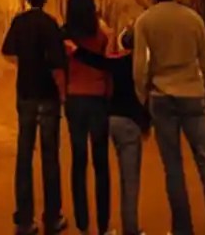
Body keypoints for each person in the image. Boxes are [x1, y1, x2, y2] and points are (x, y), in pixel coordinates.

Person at [133, 0, 205, 235]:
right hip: (191, 94)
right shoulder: (192, 19)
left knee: (173, 167)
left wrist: (142, 96)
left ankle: (182, 228)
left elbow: (140, 66)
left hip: (161, 97)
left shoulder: (145, 21)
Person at [65, 26, 151, 235]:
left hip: (111, 120)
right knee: (130, 179)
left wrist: (75, 49)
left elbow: (96, 61)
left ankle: (99, 224)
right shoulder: (144, 68)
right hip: (131, 124)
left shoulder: (116, 62)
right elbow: (146, 98)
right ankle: (130, 229)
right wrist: (147, 124)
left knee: (107, 169)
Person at [2, 0, 70, 235]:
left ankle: (24, 221)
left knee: (24, 156)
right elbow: (56, 64)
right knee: (50, 157)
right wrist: (62, 92)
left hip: (26, 95)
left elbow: (7, 52)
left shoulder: (19, 22)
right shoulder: (50, 24)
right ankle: (52, 217)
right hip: (48, 96)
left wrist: (24, 65)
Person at [61, 0, 112, 235]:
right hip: (98, 100)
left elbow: (60, 69)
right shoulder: (101, 35)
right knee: (101, 164)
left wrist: (63, 94)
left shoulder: (65, 36)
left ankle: (83, 224)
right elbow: (108, 66)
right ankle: (103, 226)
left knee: (78, 161)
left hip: (74, 99)